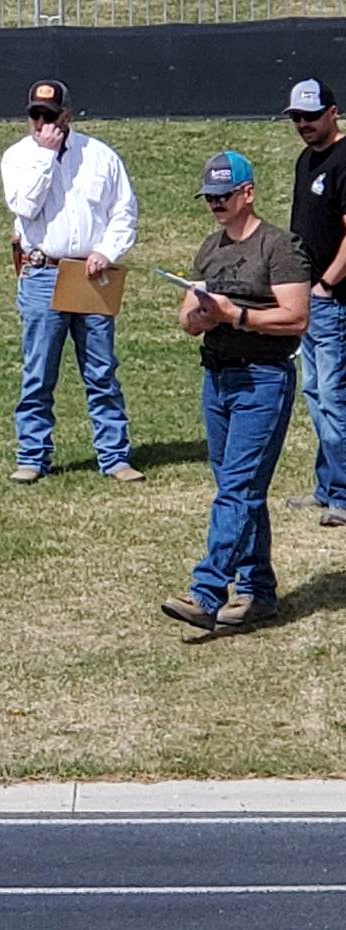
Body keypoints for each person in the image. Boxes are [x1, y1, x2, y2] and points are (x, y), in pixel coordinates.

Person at [161, 152, 310, 632]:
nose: (215, 204)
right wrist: (198, 317)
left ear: (248, 193)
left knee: (238, 489)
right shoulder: (211, 248)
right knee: (242, 490)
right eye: (209, 198)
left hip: (262, 380)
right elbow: (187, 318)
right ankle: (259, 591)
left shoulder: (280, 246)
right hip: (218, 378)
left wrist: (235, 315)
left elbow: (296, 317)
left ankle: (207, 592)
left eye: (223, 196)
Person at [0, 79, 144, 485]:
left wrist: (107, 252)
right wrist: (45, 157)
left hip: (90, 274)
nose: (42, 123)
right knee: (39, 371)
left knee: (101, 371)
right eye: (35, 115)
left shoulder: (100, 155)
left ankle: (114, 456)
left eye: (50, 115)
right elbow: (25, 207)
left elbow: (123, 211)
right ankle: (32, 456)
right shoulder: (18, 157)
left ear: (67, 115)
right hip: (43, 272)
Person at [283, 78, 346, 528]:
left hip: (333, 300)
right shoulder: (306, 160)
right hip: (307, 298)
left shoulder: (344, 160)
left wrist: (326, 283)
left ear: (332, 113)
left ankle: (342, 494)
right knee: (315, 393)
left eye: (310, 116)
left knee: (335, 396)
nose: (303, 124)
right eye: (296, 118)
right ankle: (328, 486)